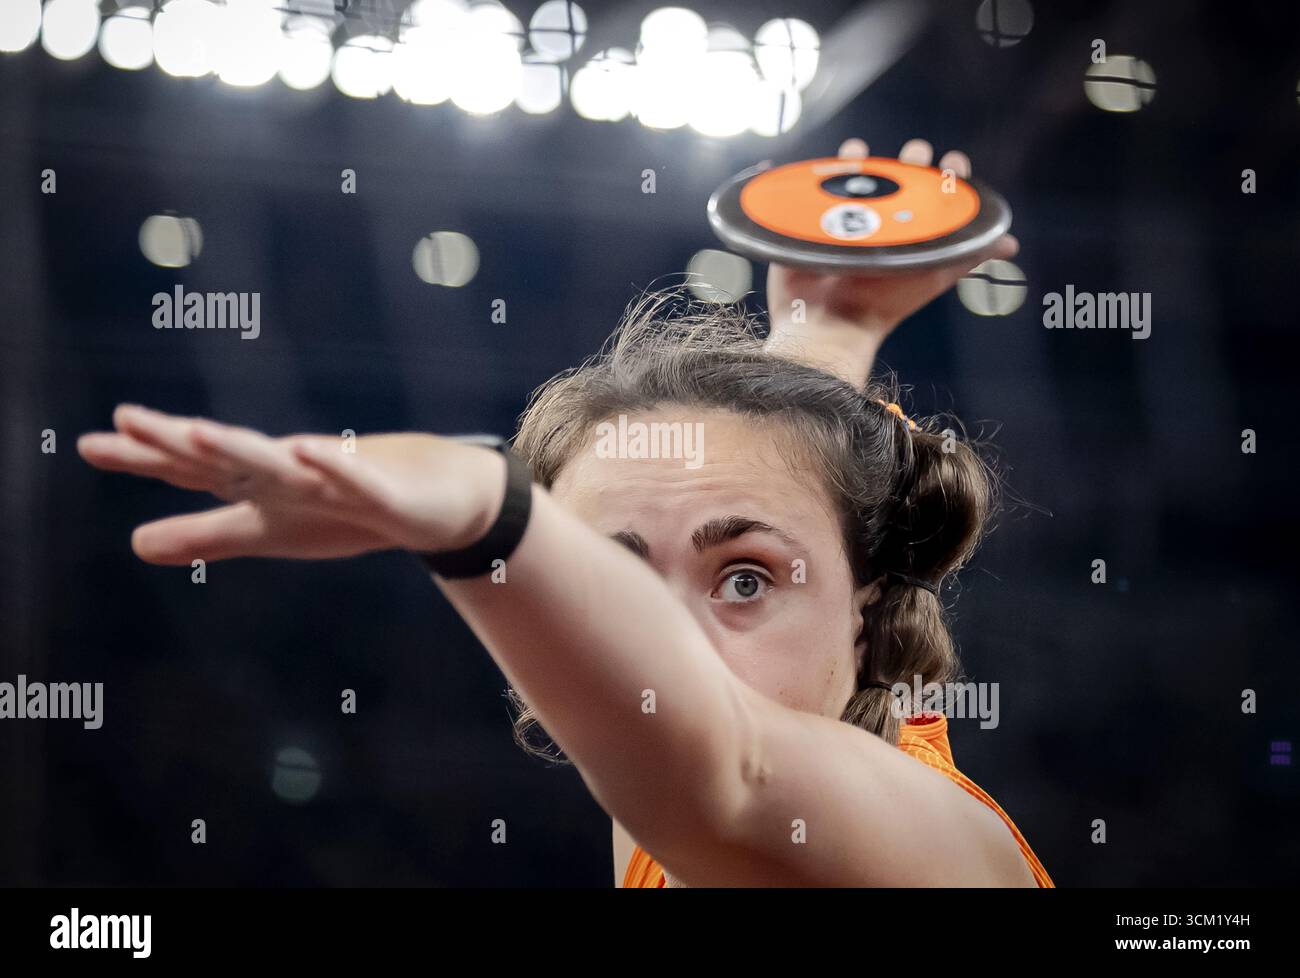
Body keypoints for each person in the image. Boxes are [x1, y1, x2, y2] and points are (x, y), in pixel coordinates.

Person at [78, 137, 1052, 887]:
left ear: (865, 604)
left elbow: (729, 765)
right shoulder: (655, 796)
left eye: (745, 578)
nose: (661, 639)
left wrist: (479, 505)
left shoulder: (933, 835)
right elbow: (789, 489)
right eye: (617, 577)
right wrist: (826, 330)